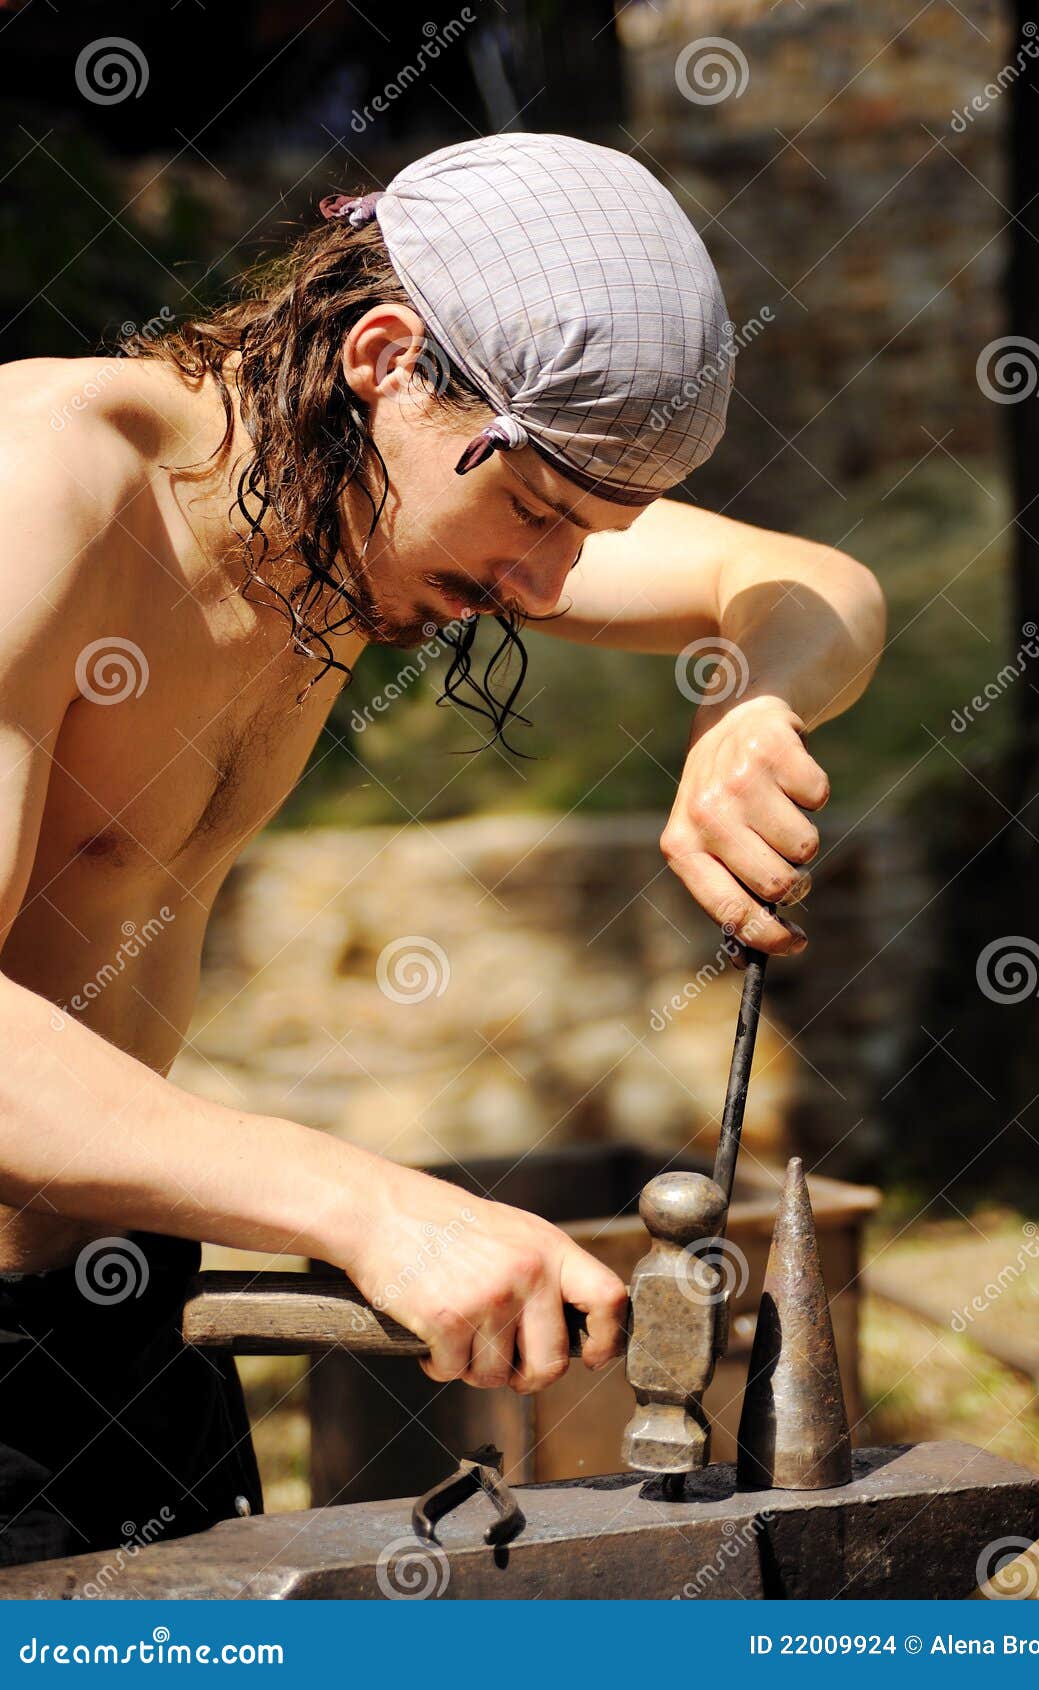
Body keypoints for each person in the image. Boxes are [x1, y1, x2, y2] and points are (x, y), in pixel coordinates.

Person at [0, 133, 884, 1566]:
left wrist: (752, 700)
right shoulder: (41, 484)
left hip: (114, 1316)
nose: (541, 585)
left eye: (589, 531)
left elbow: (808, 583)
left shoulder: (356, 508)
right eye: (534, 510)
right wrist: (367, 1201)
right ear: (387, 357)